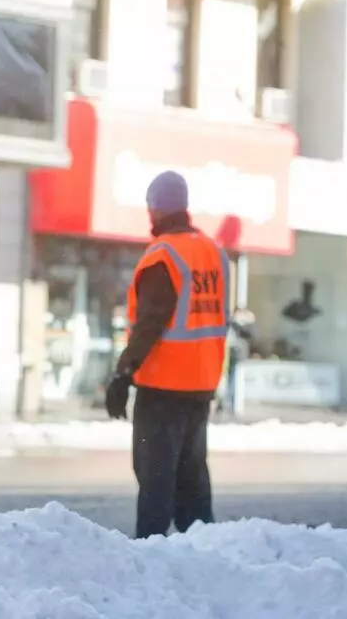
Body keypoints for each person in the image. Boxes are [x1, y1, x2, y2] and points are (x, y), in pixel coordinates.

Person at [104, 170, 231, 539]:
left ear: (155, 209)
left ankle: (151, 552)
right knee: (192, 475)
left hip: (163, 386)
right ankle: (202, 548)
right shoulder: (213, 252)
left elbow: (150, 323)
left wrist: (123, 374)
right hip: (201, 383)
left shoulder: (163, 256)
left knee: (155, 475)